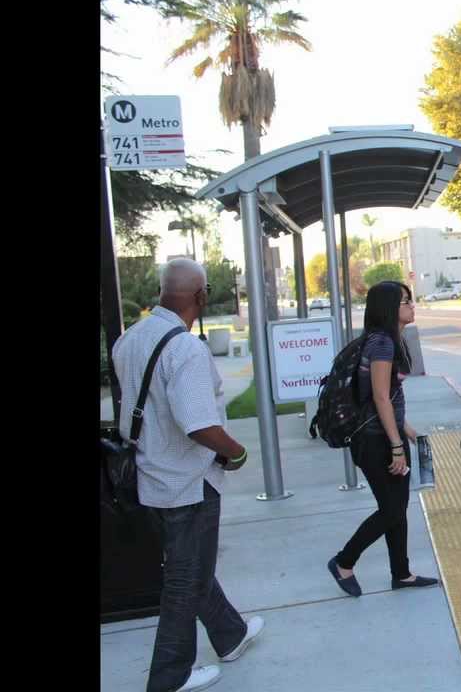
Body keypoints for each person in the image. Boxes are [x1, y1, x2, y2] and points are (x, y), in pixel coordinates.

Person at [112, 258, 264, 692]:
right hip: (187, 483)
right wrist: (236, 453)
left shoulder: (131, 338)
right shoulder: (186, 349)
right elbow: (198, 424)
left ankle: (230, 635)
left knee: (190, 566)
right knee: (184, 579)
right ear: (200, 295)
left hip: (150, 476)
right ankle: (168, 679)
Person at [328, 281, 439, 596]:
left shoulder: (390, 340)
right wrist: (395, 445)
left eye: (411, 300)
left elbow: (386, 394)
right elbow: (379, 395)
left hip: (385, 433)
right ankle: (344, 561)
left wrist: (404, 428)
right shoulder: (383, 344)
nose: (411, 306)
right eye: (405, 301)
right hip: (375, 441)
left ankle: (401, 574)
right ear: (390, 307)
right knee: (391, 509)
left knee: (397, 506)